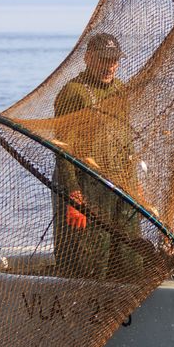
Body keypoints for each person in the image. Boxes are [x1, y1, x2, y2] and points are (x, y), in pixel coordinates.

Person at [52, 33, 144, 281]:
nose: (110, 66)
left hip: (120, 185)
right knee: (90, 257)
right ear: (88, 58)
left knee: (129, 253)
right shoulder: (74, 93)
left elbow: (125, 142)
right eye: (104, 60)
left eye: (114, 60)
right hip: (86, 186)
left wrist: (135, 185)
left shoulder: (120, 89)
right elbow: (62, 147)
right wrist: (73, 195)